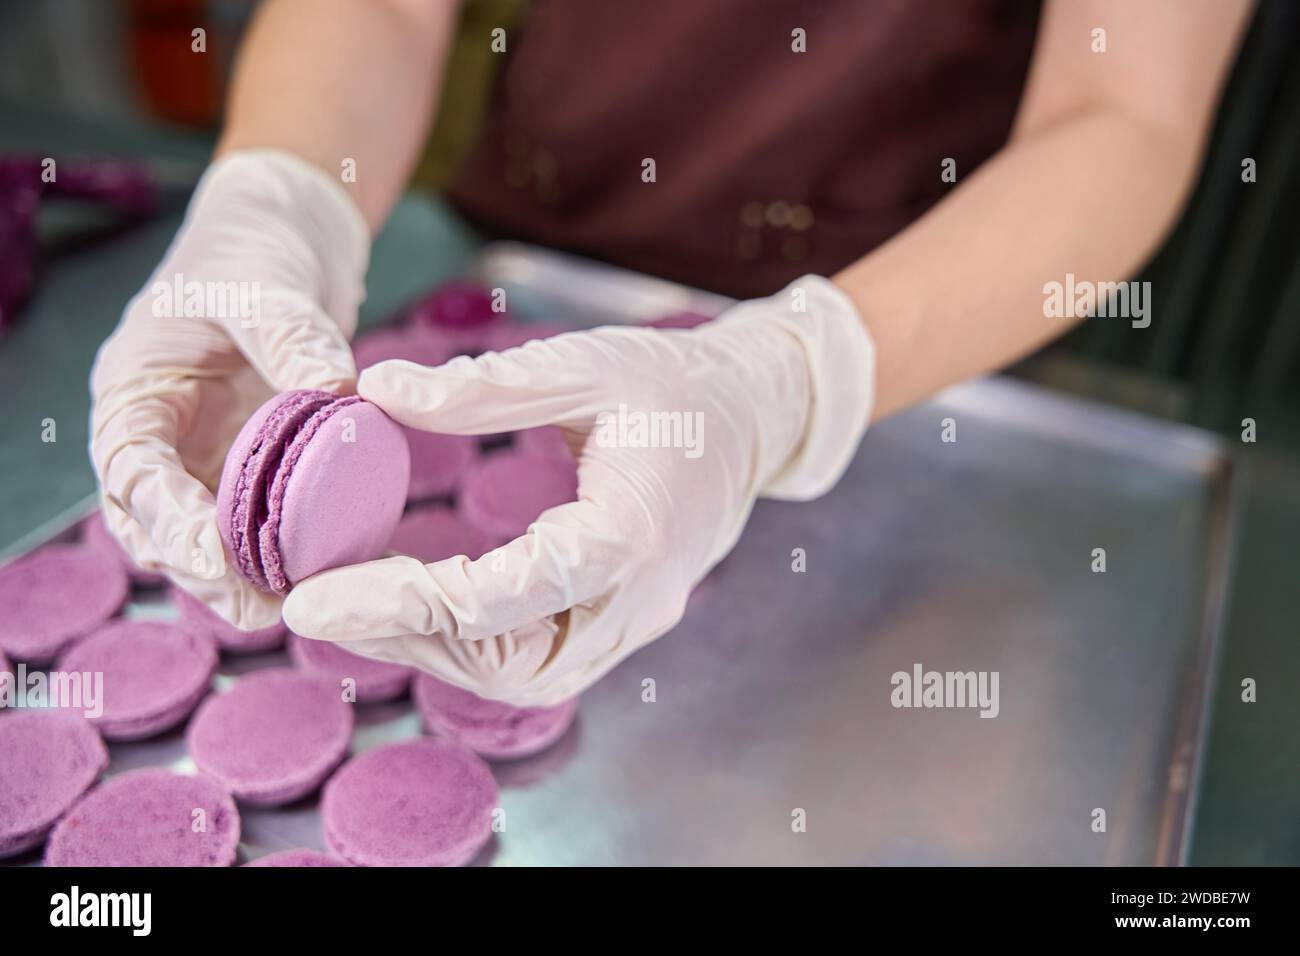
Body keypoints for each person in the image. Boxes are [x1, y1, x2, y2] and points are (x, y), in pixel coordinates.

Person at [89, 0, 1250, 705]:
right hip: (542, 254)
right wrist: (283, 194)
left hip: (918, 313)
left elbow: (1123, 109)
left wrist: (785, 379)